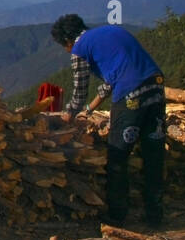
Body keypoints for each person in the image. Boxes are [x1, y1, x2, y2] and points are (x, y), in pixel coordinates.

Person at [51, 13, 165, 227]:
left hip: (131, 95)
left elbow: (79, 91)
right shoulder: (109, 33)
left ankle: (117, 215)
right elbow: (112, 79)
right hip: (156, 86)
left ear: (67, 41)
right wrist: (90, 109)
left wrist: (68, 115)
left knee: (118, 154)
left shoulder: (79, 48)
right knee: (154, 152)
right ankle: (155, 216)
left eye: (64, 46)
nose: (67, 51)